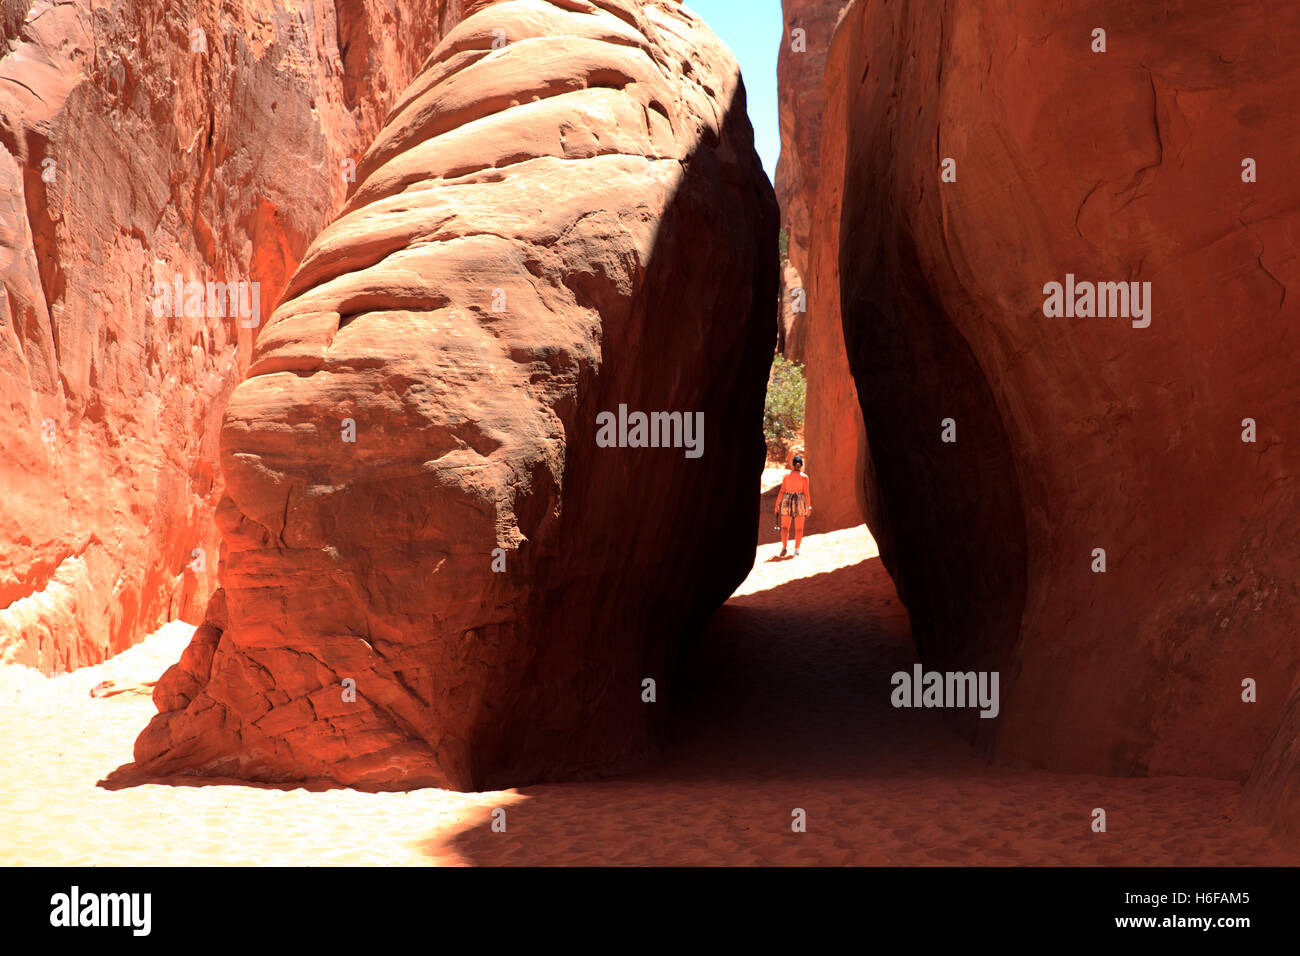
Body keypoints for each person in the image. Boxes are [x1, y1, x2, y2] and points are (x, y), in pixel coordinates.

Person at [774, 454, 811, 557]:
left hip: (787, 500)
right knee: (799, 528)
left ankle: (784, 547)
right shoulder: (805, 477)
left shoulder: (786, 476)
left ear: (792, 465)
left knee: (785, 527)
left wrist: (777, 506)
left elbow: (781, 492)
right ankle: (796, 550)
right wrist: (808, 507)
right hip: (800, 501)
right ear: (801, 465)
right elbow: (807, 494)